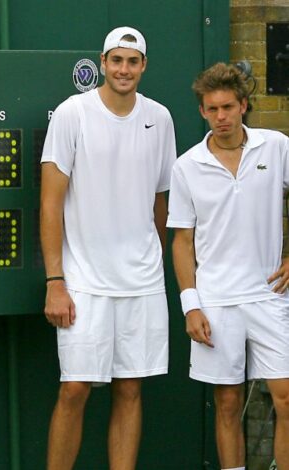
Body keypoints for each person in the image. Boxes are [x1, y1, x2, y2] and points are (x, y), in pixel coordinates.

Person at [40, 26, 176, 469]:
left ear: (144, 67)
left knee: (131, 388)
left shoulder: (161, 118)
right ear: (102, 63)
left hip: (141, 282)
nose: (124, 69)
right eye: (116, 60)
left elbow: (161, 201)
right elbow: (50, 202)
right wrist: (55, 281)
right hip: (83, 283)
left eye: (132, 62)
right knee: (74, 389)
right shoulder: (71, 113)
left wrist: (156, 263)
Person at [168, 62, 289, 470]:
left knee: (286, 394)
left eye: (228, 108)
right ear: (202, 111)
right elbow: (182, 242)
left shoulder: (275, 146)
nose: (221, 117)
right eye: (211, 109)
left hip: (269, 294)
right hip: (216, 299)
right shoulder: (186, 166)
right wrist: (191, 305)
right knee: (227, 401)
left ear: (243, 105)